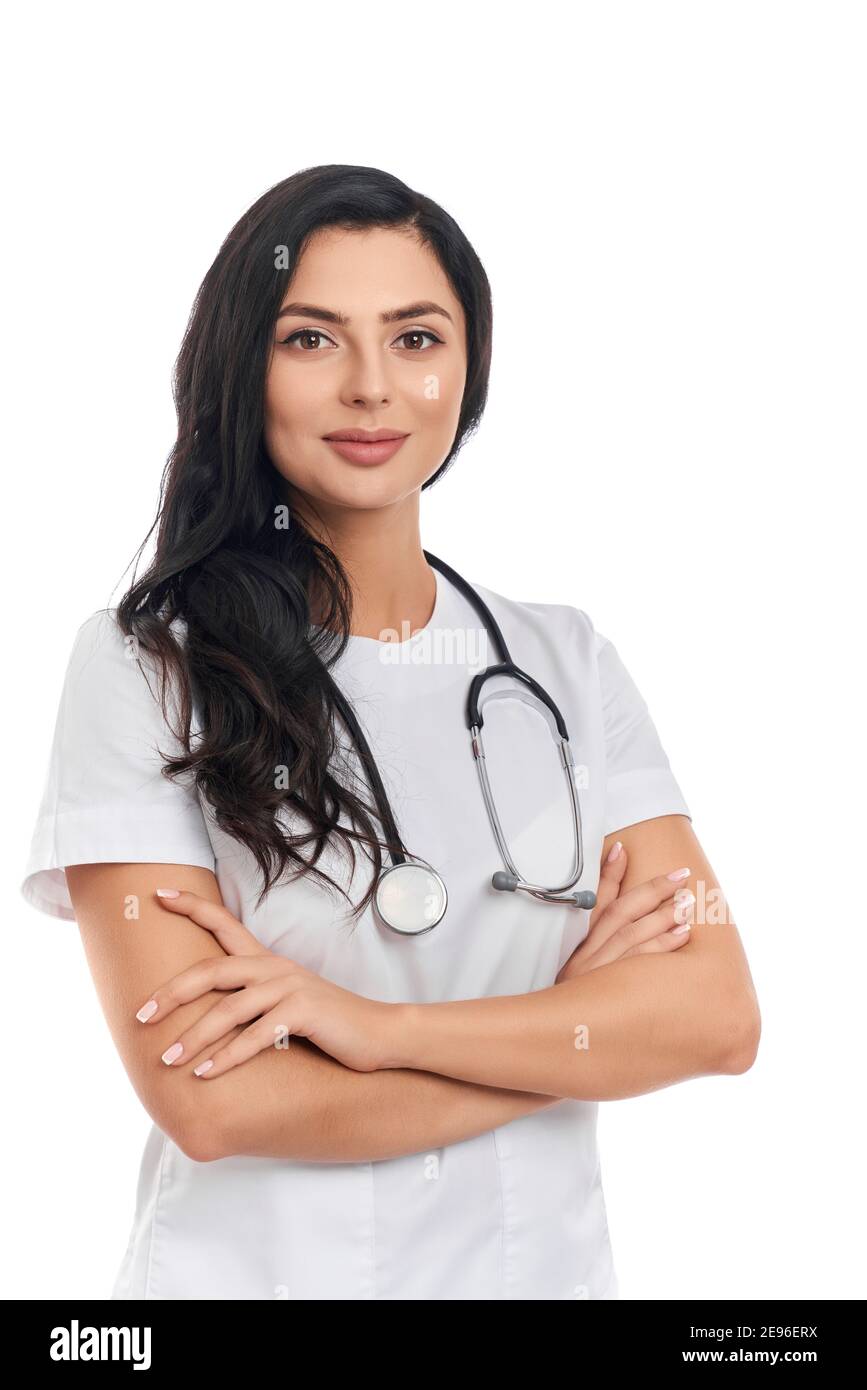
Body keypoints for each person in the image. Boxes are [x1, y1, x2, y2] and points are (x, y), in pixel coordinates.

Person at [20, 164, 760, 1301]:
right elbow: (215, 1102)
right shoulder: (146, 668)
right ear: (239, 369)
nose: (373, 387)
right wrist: (578, 1042)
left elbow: (713, 1016)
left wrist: (373, 1029)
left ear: (467, 371)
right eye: (311, 340)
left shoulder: (564, 662)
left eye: (417, 339)